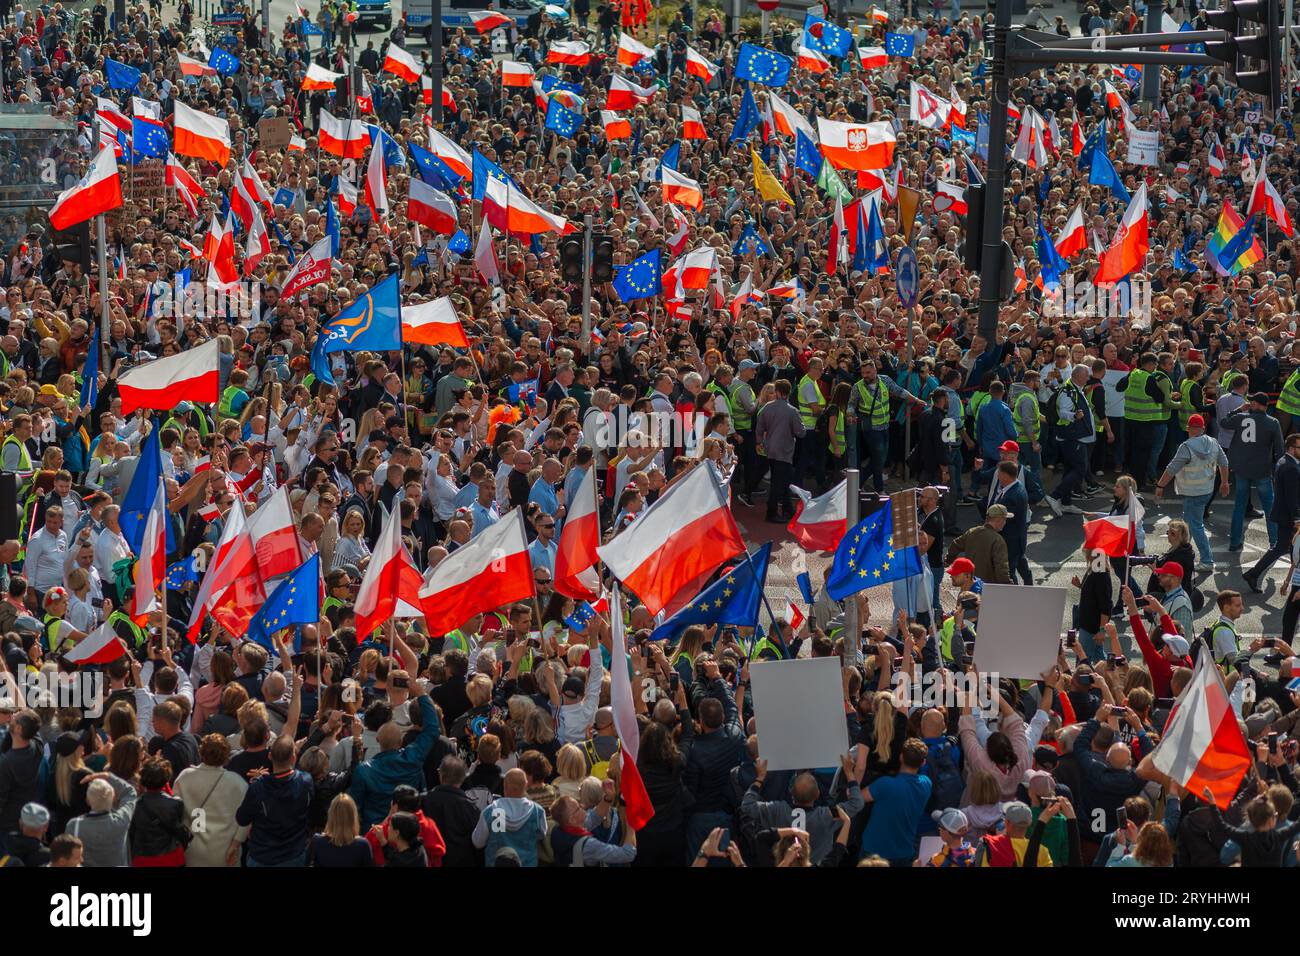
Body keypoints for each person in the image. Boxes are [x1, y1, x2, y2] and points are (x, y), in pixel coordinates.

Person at [1154, 414, 1228, 571]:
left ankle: (1207, 561)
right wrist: (1224, 482)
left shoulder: (1186, 447)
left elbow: (1172, 469)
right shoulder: (1213, 443)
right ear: (1203, 428)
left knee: (1195, 526)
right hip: (1206, 490)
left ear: (1188, 428)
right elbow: (1224, 462)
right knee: (1188, 524)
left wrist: (1160, 486)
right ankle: (1181, 553)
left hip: (1192, 493)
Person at [858, 738, 932, 867]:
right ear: (923, 763)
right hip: (904, 853)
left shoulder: (885, 784)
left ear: (901, 757)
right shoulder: (926, 783)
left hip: (874, 852)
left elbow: (857, 798)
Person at [1244, 432, 1300, 593]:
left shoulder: (1285, 461)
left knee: (1286, 548)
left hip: (1283, 514)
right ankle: (1253, 574)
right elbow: (1291, 497)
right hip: (1288, 516)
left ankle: (1254, 574)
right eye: (1299, 447)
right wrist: (1296, 518)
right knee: (1282, 548)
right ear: (1291, 448)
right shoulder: (1290, 467)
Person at [945, 505, 1012, 584]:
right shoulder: (998, 540)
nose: (1005, 523)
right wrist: (1007, 585)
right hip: (988, 586)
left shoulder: (972, 532)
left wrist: (948, 560)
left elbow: (955, 545)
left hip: (969, 583)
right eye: (1004, 520)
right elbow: (1001, 569)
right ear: (999, 520)